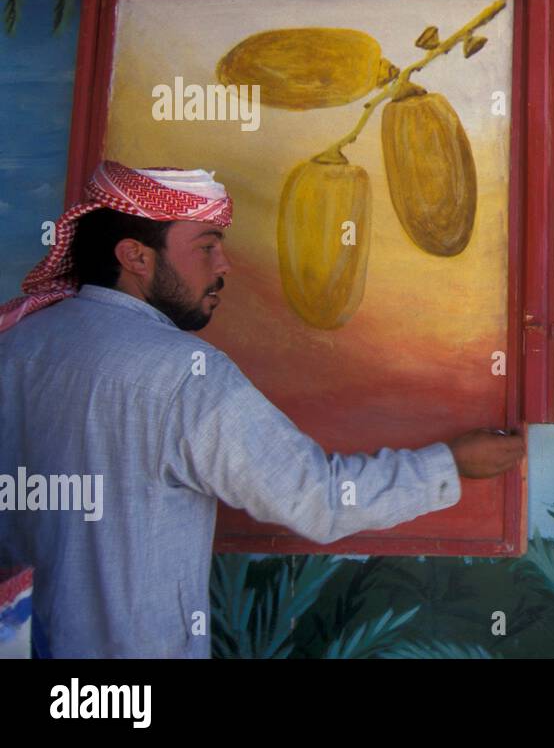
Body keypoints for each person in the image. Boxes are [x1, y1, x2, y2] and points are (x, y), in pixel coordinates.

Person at [0, 161, 524, 658]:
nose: (223, 264)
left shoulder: (19, 344)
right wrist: (448, 465)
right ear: (136, 257)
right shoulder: (184, 375)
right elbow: (315, 499)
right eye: (206, 247)